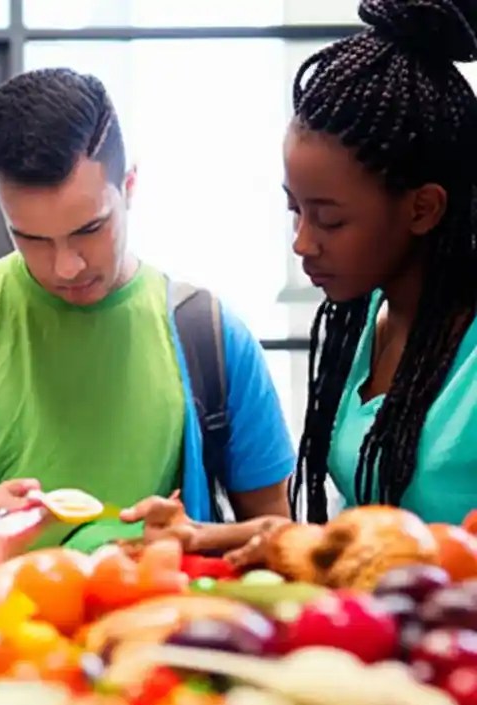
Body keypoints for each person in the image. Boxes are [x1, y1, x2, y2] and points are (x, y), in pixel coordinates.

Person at [0, 68, 297, 552]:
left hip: (158, 602)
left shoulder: (211, 335)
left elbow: (278, 540)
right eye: (31, 238)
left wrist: (194, 537)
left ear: (129, 186)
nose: (66, 267)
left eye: (89, 230)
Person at [128, 0, 477, 552]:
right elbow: (346, 541)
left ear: (423, 208)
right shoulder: (363, 320)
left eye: (330, 220)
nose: (303, 242)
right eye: (295, 209)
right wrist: (204, 536)